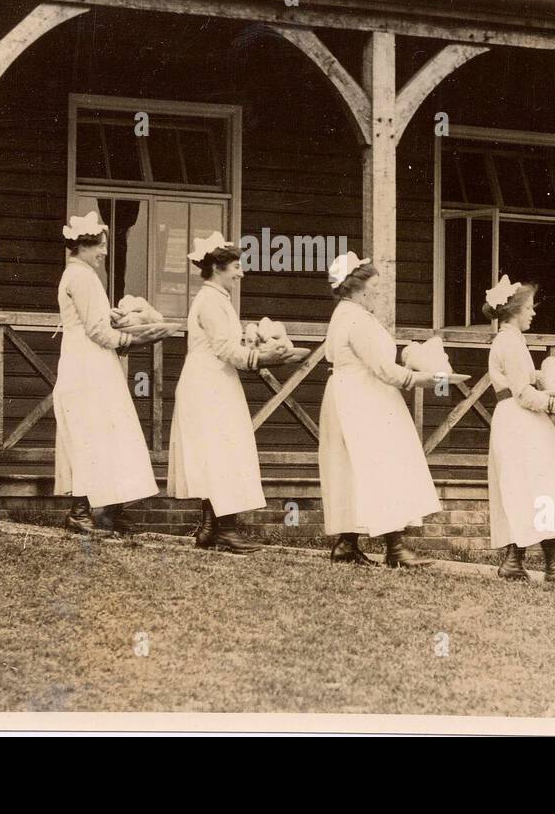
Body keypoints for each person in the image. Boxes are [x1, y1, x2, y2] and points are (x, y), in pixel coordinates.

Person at [317, 252, 442, 567]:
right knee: (380, 466)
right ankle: (395, 549)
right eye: (374, 286)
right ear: (357, 287)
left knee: (359, 468)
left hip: (359, 396)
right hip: (361, 398)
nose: (378, 292)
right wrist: (421, 379)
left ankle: (348, 544)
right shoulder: (354, 318)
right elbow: (383, 369)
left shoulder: (351, 314)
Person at [167, 232, 289, 553]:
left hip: (215, 381)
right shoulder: (210, 301)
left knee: (220, 452)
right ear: (218, 268)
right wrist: (262, 358)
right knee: (222, 451)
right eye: (236, 266)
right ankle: (225, 530)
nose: (241, 272)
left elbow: (229, 344)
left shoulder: (217, 299)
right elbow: (224, 349)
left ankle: (211, 528)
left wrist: (253, 344)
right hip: (208, 383)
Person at [53, 211, 162, 537]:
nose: (104, 251)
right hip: (88, 365)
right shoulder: (82, 277)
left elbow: (100, 323)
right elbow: (99, 331)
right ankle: (81, 512)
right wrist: (137, 337)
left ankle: (113, 512)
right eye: (100, 245)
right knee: (92, 435)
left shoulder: (79, 275)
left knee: (109, 434)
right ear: (84, 246)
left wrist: (122, 323)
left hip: (93, 362)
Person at [484, 276, 555, 586]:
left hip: (519, 421)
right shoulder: (509, 342)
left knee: (531, 488)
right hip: (520, 420)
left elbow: (525, 382)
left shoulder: (512, 341)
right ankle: (548, 566)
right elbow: (523, 394)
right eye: (529, 307)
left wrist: (546, 380)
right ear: (514, 310)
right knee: (535, 487)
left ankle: (517, 562)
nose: (533, 313)